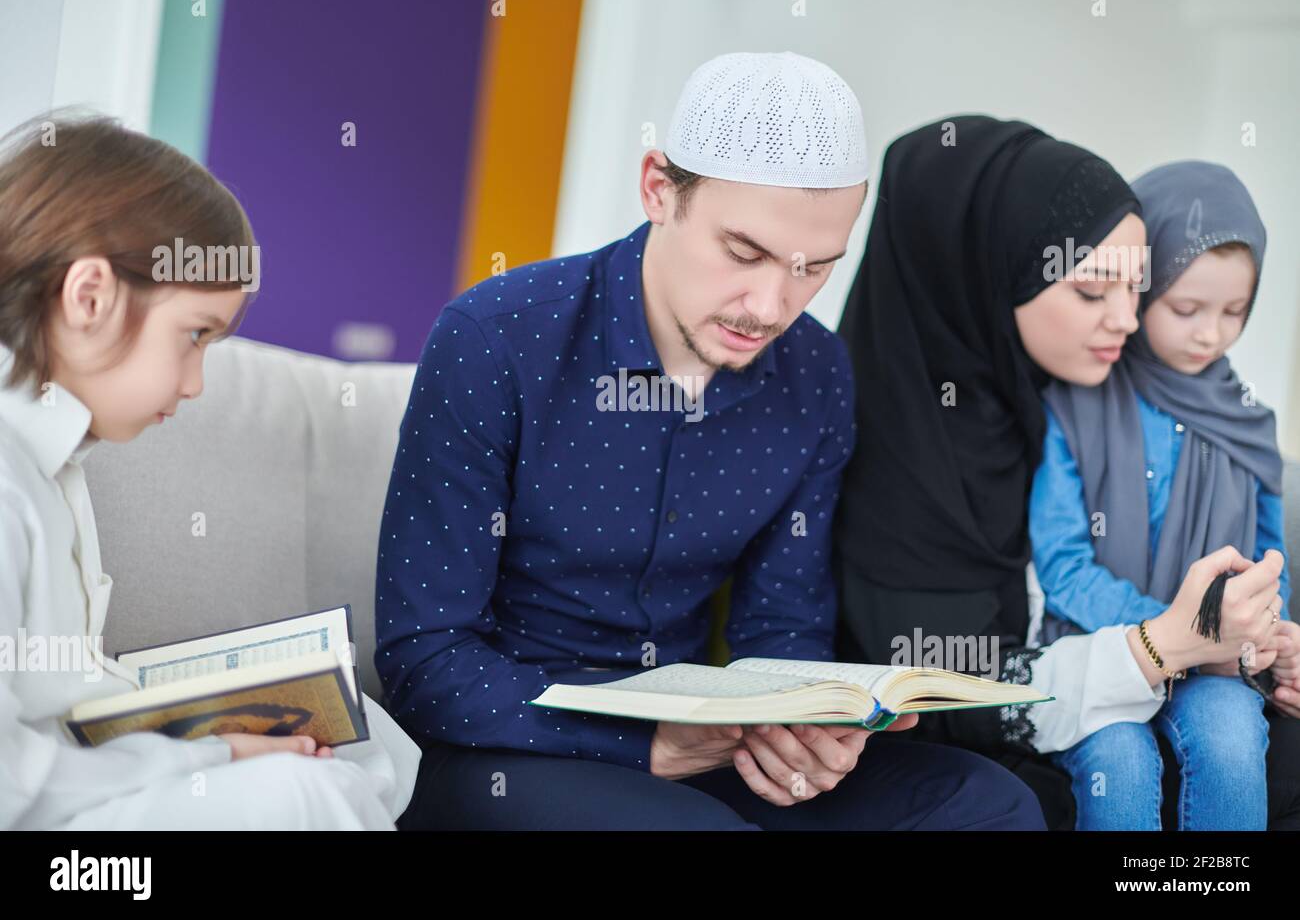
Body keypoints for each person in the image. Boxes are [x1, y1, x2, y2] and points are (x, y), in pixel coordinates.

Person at [381, 54, 1045, 830]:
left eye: (813, 270)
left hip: (706, 740)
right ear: (660, 188)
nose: (770, 307)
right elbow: (424, 657)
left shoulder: (818, 372)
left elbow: (782, 625)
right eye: (743, 253)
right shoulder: (496, 338)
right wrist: (642, 745)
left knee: (987, 804)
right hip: (507, 747)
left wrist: (803, 727)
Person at [831, 116, 1295, 828]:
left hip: (1141, 680)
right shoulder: (888, 441)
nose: (1128, 322)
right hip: (967, 733)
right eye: (1091, 293)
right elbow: (943, 690)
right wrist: (1172, 642)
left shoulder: (1041, 395)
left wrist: (1266, 641)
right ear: (994, 273)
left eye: (1137, 290)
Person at [0, 113, 419, 830]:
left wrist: (213, 720)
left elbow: (57, 696)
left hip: (70, 773)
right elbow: (17, 782)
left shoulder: (58, 456)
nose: (196, 384)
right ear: (89, 298)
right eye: (193, 336)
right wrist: (211, 756)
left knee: (369, 742)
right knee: (302, 796)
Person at [1032, 161, 1296, 829]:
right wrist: (1176, 633)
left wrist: (1263, 633)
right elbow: (1062, 565)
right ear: (1141, 288)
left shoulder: (1247, 421)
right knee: (1117, 765)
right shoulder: (1074, 404)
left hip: (1219, 672)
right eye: (1186, 309)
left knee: (1233, 745)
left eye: (1235, 311)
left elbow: (1269, 563)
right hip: (1101, 652)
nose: (1212, 334)